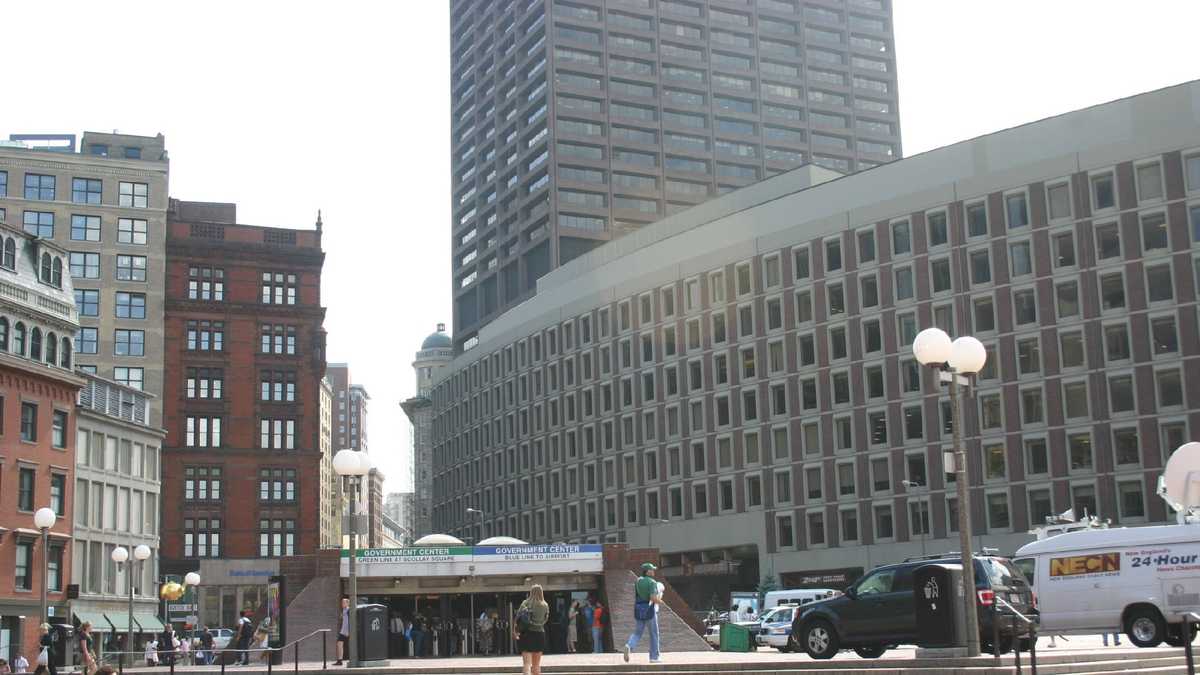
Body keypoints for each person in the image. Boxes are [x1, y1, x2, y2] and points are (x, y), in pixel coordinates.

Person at [622, 562, 664, 664]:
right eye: (652, 569)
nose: (653, 571)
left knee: (637, 632)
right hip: (649, 611)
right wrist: (660, 601)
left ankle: (629, 645)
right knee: (654, 634)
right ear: (648, 571)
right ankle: (654, 657)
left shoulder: (638, 581)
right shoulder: (652, 582)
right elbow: (653, 598)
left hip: (639, 610)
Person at [513, 584, 549, 675]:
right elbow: (546, 619)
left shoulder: (525, 603)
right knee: (536, 665)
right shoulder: (545, 605)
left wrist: (515, 631)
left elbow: (517, 618)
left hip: (526, 634)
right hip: (539, 634)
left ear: (531, 592)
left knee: (526, 664)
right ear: (541, 592)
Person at [334, 597, 351, 665]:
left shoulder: (349, 610)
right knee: (339, 644)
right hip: (343, 631)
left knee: (350, 645)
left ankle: (352, 659)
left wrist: (350, 631)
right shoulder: (343, 610)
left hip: (348, 631)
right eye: (342, 602)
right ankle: (339, 660)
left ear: (348, 603)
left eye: (344, 602)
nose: (342, 604)